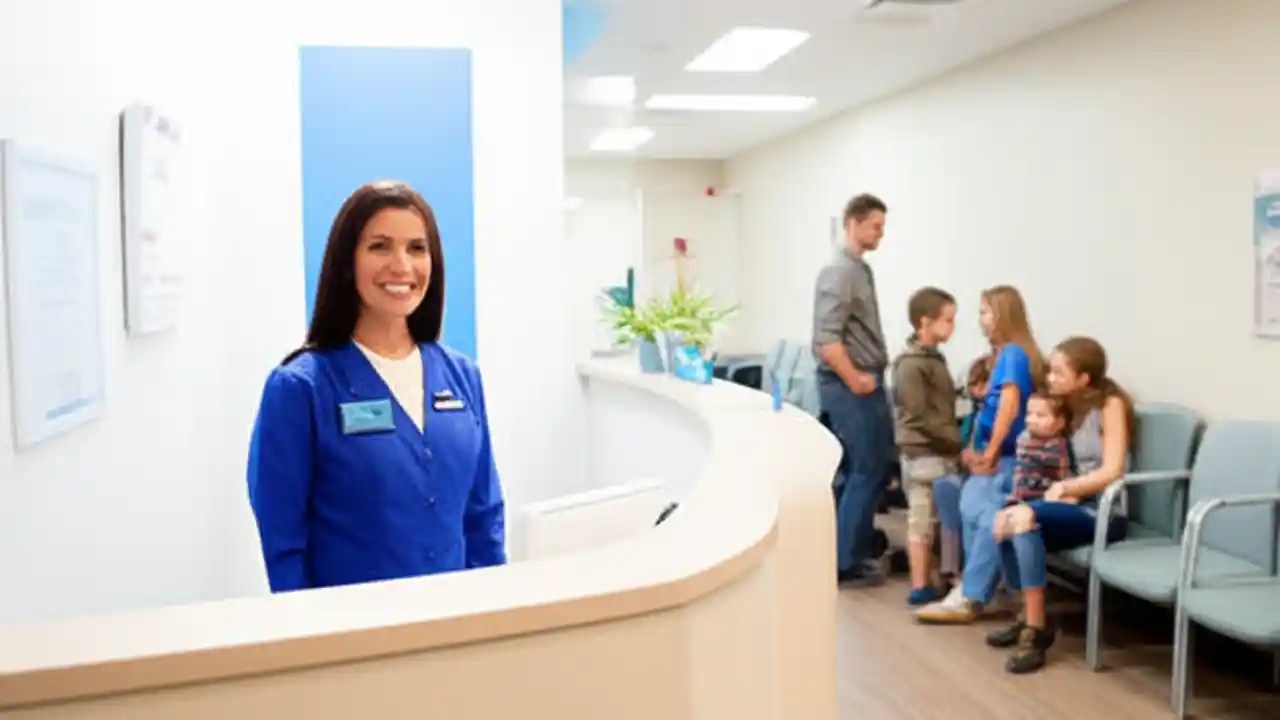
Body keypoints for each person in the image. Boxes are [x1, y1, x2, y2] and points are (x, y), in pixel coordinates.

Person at [247, 180, 506, 592]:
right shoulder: (300, 389)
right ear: (347, 261)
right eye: (380, 247)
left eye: (417, 248)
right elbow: (284, 544)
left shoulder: (462, 377)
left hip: (455, 618)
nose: (401, 266)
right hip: (355, 627)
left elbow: (483, 517)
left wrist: (492, 611)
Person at [984, 337, 1132, 674]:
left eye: (1058, 372)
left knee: (1022, 518)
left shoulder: (1110, 406)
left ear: (1084, 378)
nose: (1050, 378)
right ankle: (1028, 617)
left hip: (1104, 511)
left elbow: (1113, 470)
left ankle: (1036, 630)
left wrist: (1066, 487)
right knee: (1007, 521)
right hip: (1067, 503)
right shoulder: (1065, 406)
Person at [915, 285, 1044, 622]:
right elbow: (986, 410)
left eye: (985, 312)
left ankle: (972, 595)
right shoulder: (1001, 357)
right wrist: (974, 450)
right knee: (970, 505)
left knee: (988, 514)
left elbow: (1008, 407)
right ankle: (978, 589)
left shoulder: (1014, 355)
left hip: (1006, 458)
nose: (980, 320)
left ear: (1002, 315)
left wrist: (991, 452)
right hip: (991, 454)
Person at [813, 193, 892, 585]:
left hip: (864, 380)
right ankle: (845, 561)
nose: (880, 234)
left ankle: (850, 549)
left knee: (866, 469)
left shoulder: (860, 270)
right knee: (866, 468)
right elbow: (827, 341)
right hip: (850, 384)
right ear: (853, 223)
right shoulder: (839, 273)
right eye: (875, 226)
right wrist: (855, 379)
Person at [891, 287, 962, 605]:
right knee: (922, 518)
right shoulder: (910, 365)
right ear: (925, 321)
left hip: (939, 449)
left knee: (933, 518)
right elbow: (918, 416)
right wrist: (958, 441)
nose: (953, 326)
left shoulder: (933, 360)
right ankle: (920, 584)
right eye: (947, 320)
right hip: (924, 452)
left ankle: (932, 579)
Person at [994, 393, 1071, 535]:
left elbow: (1062, 475)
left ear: (1059, 423)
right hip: (1020, 494)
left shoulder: (1057, 447)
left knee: (1019, 524)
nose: (1031, 420)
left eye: (1040, 416)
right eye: (1029, 414)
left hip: (1041, 497)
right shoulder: (1025, 438)